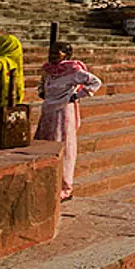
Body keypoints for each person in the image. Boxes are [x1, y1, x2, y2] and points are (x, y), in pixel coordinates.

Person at [36, 42, 102, 201]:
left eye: (56, 53)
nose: (52, 56)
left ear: (66, 54)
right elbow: (43, 86)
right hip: (48, 111)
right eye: (50, 53)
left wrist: (76, 96)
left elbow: (96, 83)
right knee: (46, 143)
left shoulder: (73, 70)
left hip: (64, 111)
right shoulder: (49, 71)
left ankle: (65, 187)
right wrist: (42, 92)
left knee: (64, 147)